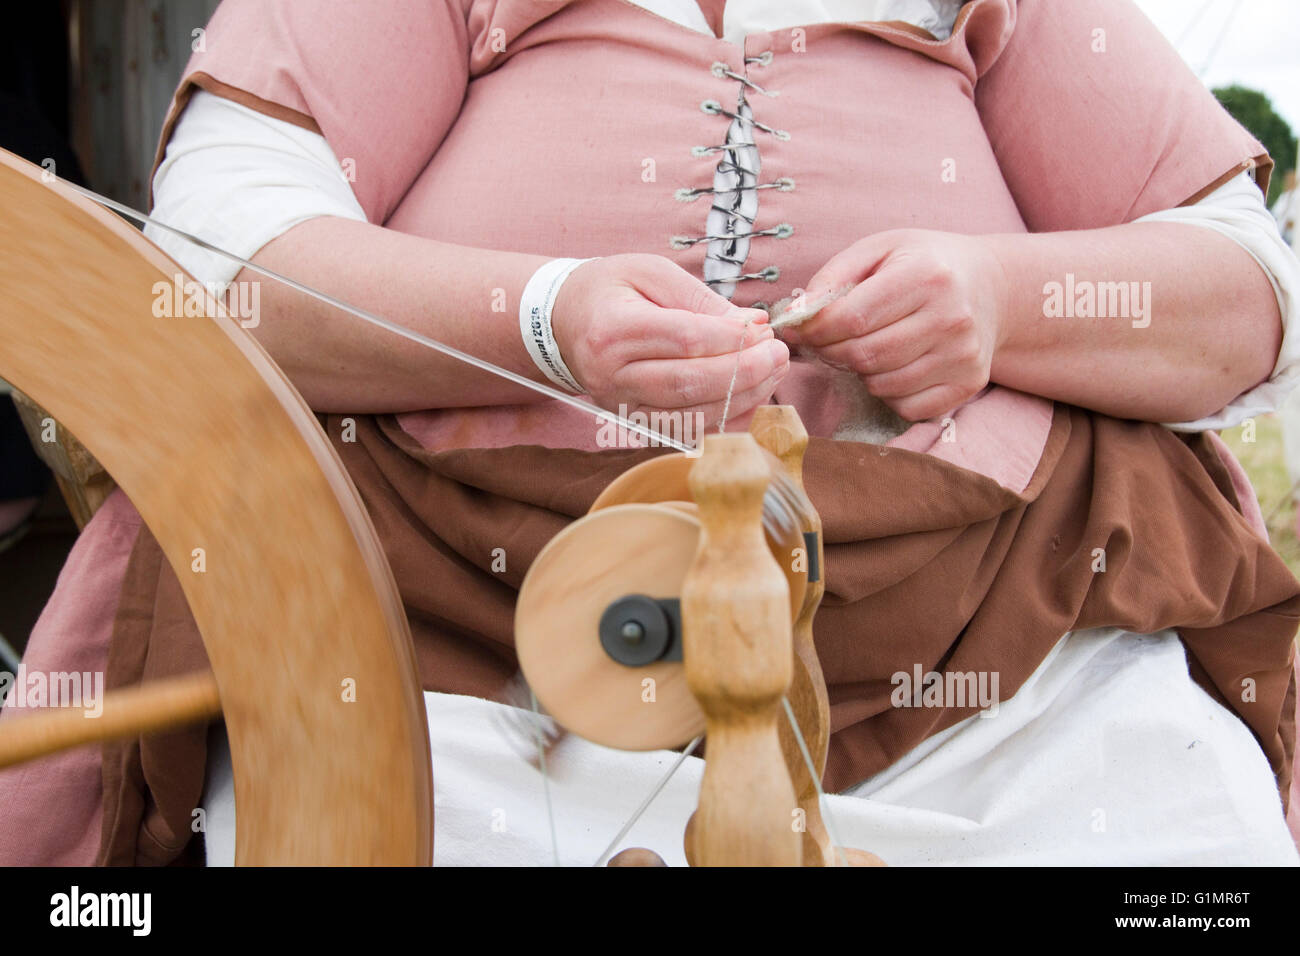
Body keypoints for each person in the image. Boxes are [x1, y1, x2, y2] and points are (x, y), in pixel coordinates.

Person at [4, 0, 1300, 865]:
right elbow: (212, 255)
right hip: (447, 639)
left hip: (1009, 653)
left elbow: (1249, 292)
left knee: (1172, 821)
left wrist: (999, 301)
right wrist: (542, 318)